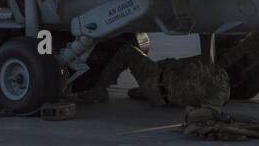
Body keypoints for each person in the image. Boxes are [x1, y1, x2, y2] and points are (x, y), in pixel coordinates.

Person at [76, 46, 231, 108]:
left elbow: (177, 64)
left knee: (127, 51)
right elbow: (208, 108)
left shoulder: (205, 65)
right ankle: (140, 92)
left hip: (156, 81)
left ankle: (99, 90)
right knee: (133, 93)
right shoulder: (222, 89)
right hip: (162, 98)